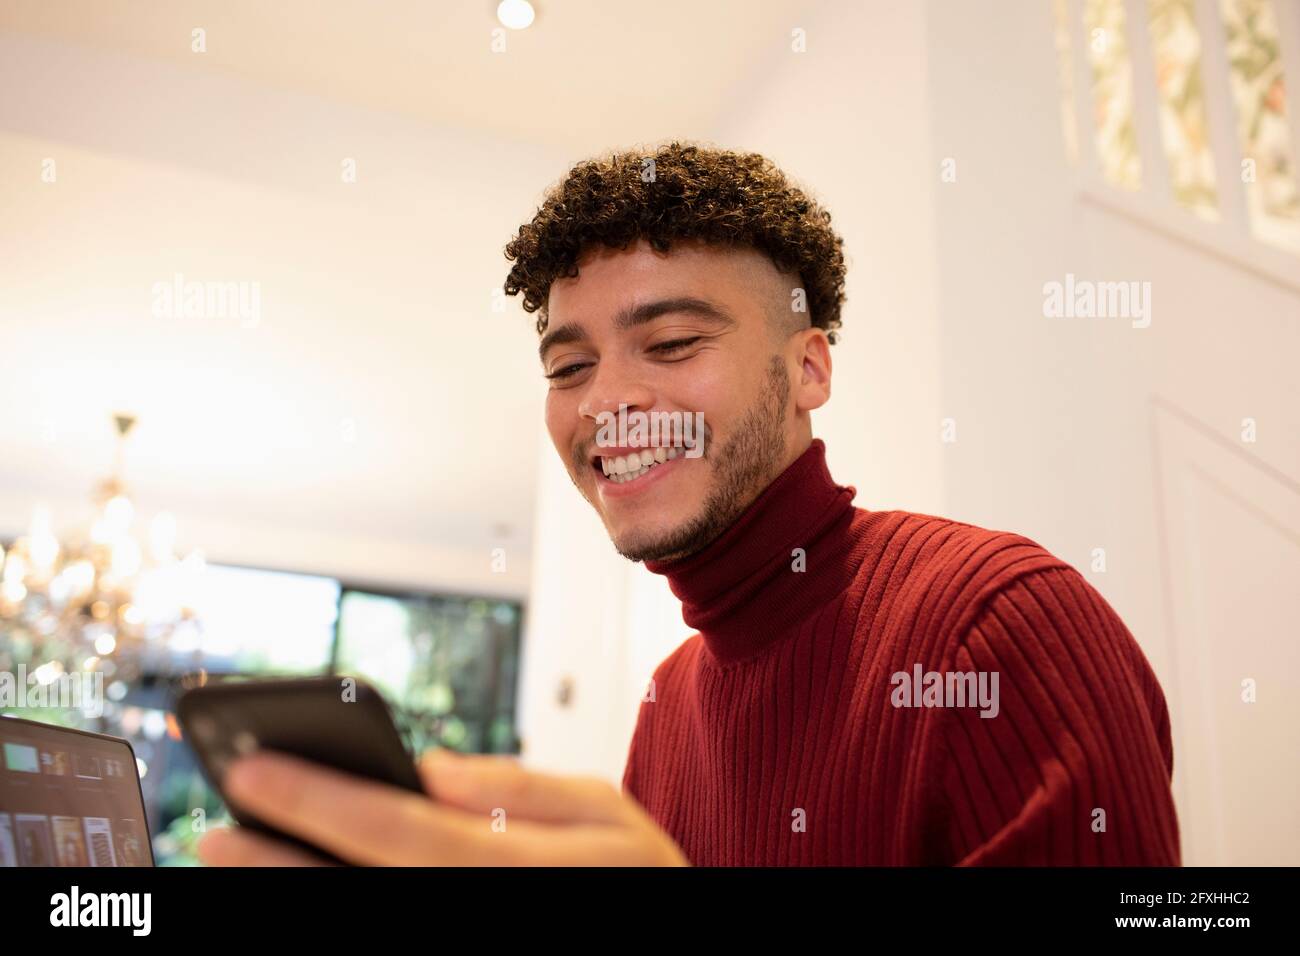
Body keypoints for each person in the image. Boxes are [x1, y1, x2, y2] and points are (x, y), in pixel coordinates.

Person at [199, 142, 1180, 866]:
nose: (606, 402)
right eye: (569, 364)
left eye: (669, 344)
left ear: (807, 368)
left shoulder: (999, 620)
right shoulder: (669, 703)